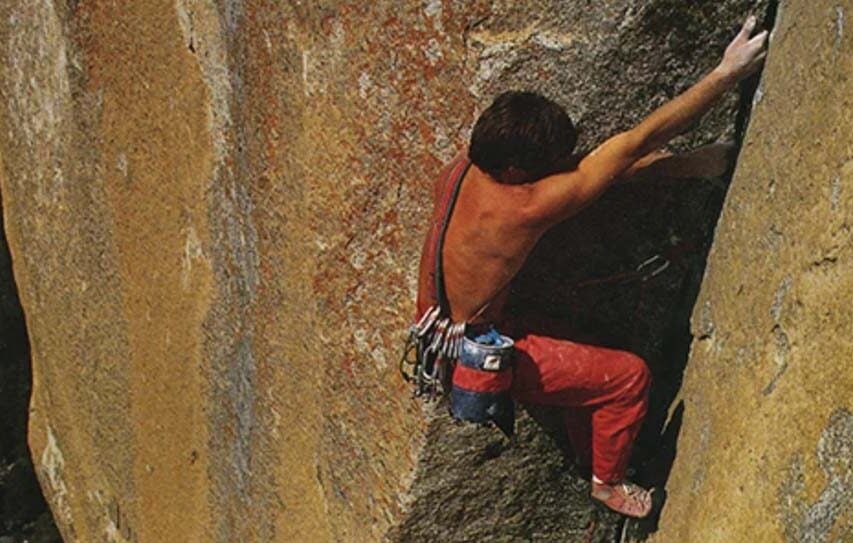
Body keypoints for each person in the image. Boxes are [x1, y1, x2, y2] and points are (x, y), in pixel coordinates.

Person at [412, 16, 768, 518]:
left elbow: (596, 171)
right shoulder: (524, 207)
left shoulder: (464, 167)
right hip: (475, 353)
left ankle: (589, 451)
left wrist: (682, 165)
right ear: (518, 172)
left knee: (586, 339)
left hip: (445, 325)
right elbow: (633, 143)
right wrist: (725, 74)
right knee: (627, 377)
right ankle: (608, 484)